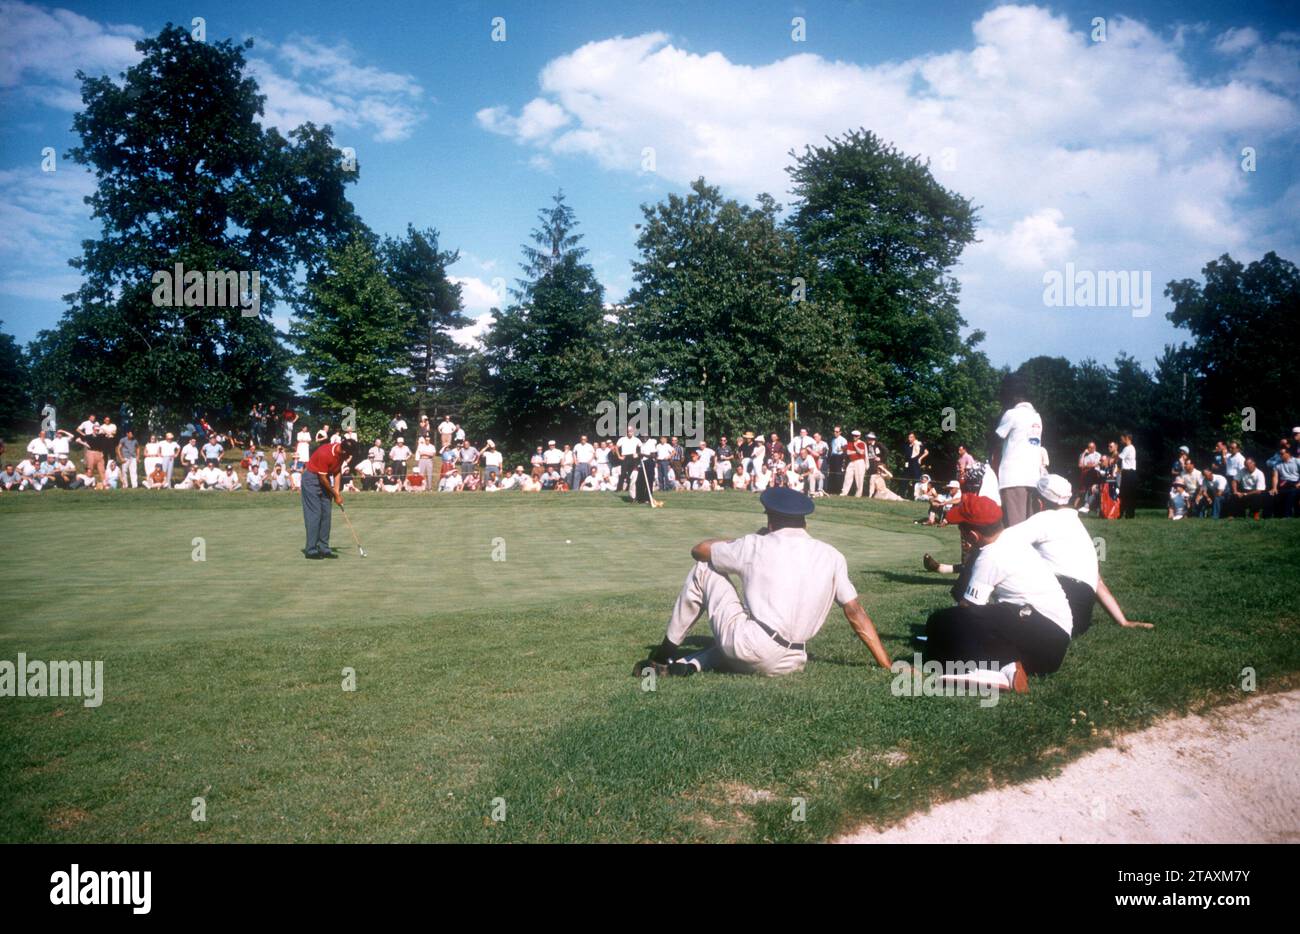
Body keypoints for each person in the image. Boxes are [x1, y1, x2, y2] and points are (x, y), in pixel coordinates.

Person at [633, 487, 893, 677]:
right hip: (792, 661)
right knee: (748, 628)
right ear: (803, 519)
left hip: (752, 648)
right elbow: (855, 612)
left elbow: (698, 550)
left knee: (703, 569)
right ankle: (693, 663)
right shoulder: (832, 554)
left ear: (769, 517)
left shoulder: (755, 544)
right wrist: (887, 665)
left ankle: (663, 655)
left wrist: (740, 541)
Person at [921, 495, 1071, 694]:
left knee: (939, 622)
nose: (961, 535)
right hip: (1052, 646)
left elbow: (967, 611)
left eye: (961, 529)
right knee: (949, 634)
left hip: (1039, 628)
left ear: (973, 535)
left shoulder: (990, 555)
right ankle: (1007, 666)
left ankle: (990, 670)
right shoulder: (1013, 540)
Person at [996, 475, 1150, 637]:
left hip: (1055, 612)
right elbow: (1098, 583)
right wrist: (1123, 621)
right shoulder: (1078, 528)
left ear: (1039, 502)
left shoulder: (1045, 519)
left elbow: (1001, 540)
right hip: (1079, 620)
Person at [991, 388, 1043, 527]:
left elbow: (996, 438)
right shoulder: (1037, 417)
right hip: (1033, 479)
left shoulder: (1011, 414)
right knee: (1030, 528)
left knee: (1014, 527)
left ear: (1014, 398)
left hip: (1013, 478)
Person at [301, 437, 355, 559]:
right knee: (315, 514)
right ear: (344, 451)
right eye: (349, 455)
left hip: (324, 479)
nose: (349, 457)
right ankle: (311, 550)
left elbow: (337, 472)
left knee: (326, 513)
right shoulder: (324, 453)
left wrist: (337, 492)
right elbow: (323, 479)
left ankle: (323, 548)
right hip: (311, 479)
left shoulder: (341, 454)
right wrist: (335, 494)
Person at [1271, 447, 1299, 518]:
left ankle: (1287, 515)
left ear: (1288, 454)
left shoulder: (1297, 461)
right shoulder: (1277, 463)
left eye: (1282, 454)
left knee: (1291, 493)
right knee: (1273, 493)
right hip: (1284, 483)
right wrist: (1274, 488)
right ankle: (1277, 515)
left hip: (1296, 483)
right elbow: (1275, 476)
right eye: (1280, 454)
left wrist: (1299, 484)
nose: (1281, 455)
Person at [840, 430, 868, 497]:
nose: (854, 437)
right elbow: (848, 452)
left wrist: (855, 447)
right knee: (847, 477)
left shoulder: (862, 443)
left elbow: (861, 452)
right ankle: (844, 492)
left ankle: (858, 494)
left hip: (860, 462)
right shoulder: (849, 443)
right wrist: (856, 452)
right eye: (853, 435)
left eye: (856, 436)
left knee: (859, 479)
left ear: (859, 436)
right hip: (851, 462)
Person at [1117, 432, 1138, 519]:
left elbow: (1119, 457)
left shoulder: (1128, 448)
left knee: (1126, 494)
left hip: (1128, 473)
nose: (1121, 440)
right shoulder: (1130, 448)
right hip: (1129, 473)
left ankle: (1127, 513)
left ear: (1127, 438)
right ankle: (1128, 513)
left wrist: (1113, 456)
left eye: (1122, 438)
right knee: (1127, 494)